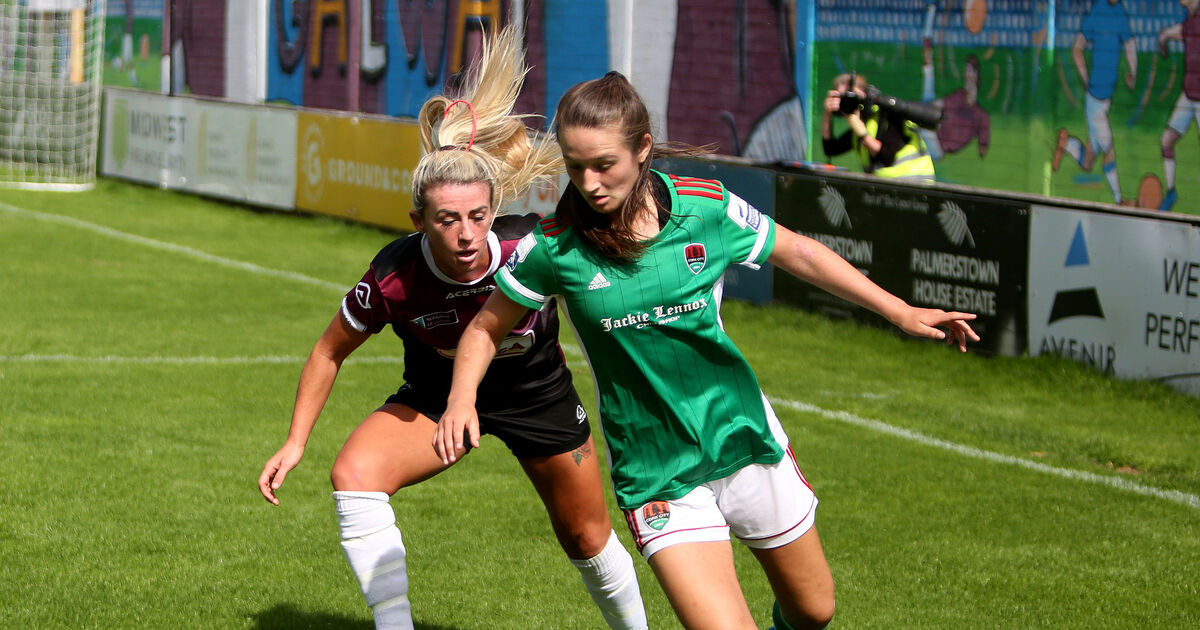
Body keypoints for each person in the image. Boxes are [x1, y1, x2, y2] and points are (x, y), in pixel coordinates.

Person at [437, 71, 980, 630]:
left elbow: (799, 252)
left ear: (642, 148)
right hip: (655, 469)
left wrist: (899, 311)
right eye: (575, 168)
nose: (589, 183)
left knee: (814, 610)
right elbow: (484, 329)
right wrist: (461, 400)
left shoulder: (706, 207)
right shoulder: (553, 247)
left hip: (741, 434)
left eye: (604, 164)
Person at [257, 29, 647, 630]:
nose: (466, 234)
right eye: (446, 220)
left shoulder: (529, 247)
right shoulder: (394, 277)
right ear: (418, 220)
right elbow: (328, 352)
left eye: (477, 216)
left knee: (586, 536)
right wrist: (295, 441)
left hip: (536, 396)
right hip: (435, 401)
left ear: (493, 210)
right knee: (354, 477)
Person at [1053, 0, 1137, 206]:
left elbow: (1129, 44)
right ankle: (1119, 200)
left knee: (1088, 162)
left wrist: (1133, 73)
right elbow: (1077, 48)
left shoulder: (1119, 12)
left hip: (1104, 99)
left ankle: (1066, 143)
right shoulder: (1098, 11)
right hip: (1096, 101)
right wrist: (1086, 80)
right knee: (1108, 150)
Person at [821, 72, 936, 182]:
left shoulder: (887, 115)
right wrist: (827, 113)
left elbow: (886, 155)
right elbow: (830, 149)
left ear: (862, 93)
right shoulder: (861, 124)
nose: (846, 102)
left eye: (849, 96)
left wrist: (860, 131)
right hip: (888, 186)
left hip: (915, 183)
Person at [1156, 0, 1200, 211]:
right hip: (1188, 94)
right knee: (1166, 140)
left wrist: (1165, 37)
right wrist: (1164, 38)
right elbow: (1182, 31)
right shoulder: (1190, 21)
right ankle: (1171, 192)